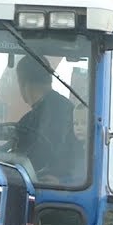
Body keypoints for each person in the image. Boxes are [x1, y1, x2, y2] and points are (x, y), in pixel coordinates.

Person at [13, 56, 83, 185]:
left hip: (49, 186)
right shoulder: (66, 108)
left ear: (22, 83)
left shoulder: (52, 114)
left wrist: (63, 181)